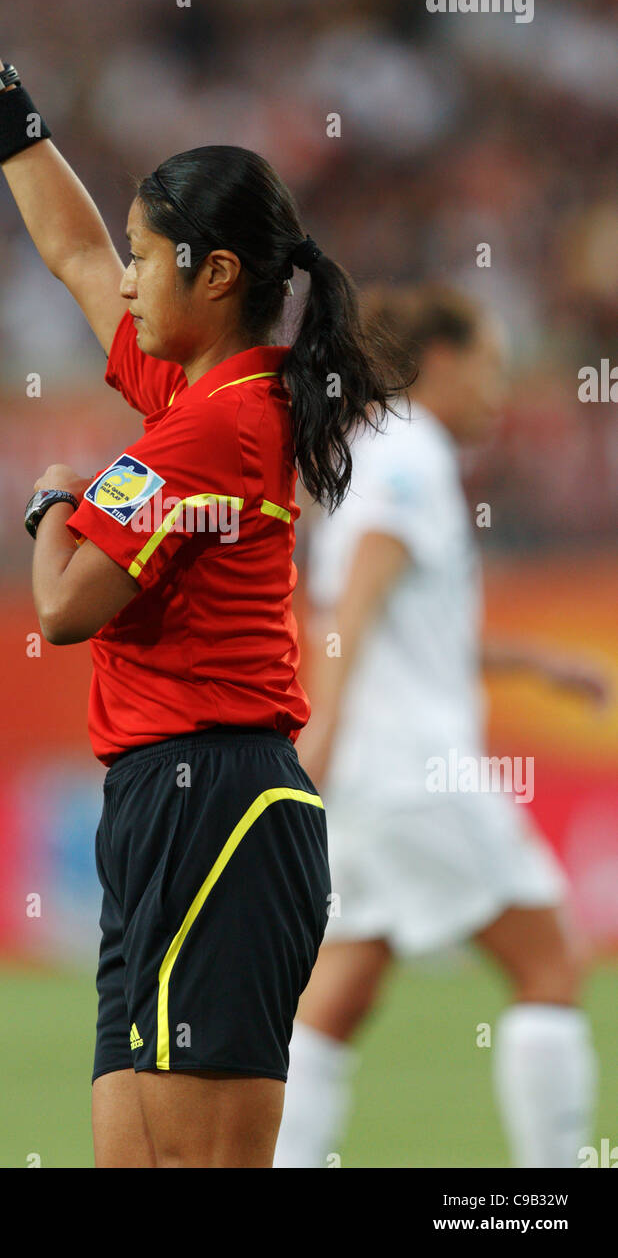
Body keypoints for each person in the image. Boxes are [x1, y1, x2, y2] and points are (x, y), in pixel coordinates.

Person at [0, 0, 408, 1167]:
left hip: (217, 802)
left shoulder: (209, 428)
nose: (125, 281)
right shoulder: (210, 394)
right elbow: (72, 252)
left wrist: (51, 505)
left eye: (148, 259)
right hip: (160, 803)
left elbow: (63, 603)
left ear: (216, 273)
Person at [274, 284, 609, 1169]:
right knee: (549, 964)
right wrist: (327, 725)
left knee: (339, 991)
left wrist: (534, 661)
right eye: (494, 367)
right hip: (415, 771)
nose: (500, 392)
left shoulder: (365, 451)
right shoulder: (409, 454)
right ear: (446, 362)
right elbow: (362, 596)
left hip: (372, 782)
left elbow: (402, 627)